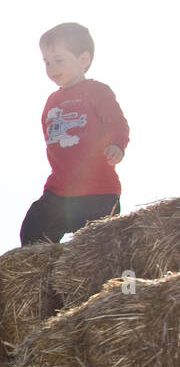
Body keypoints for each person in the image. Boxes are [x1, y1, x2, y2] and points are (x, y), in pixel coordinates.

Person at [19, 22, 129, 246]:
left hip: (98, 189)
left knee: (98, 248)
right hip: (59, 191)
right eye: (46, 62)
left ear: (83, 60)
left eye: (58, 60)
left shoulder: (97, 91)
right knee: (33, 229)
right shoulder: (52, 100)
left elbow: (117, 122)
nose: (51, 68)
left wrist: (117, 144)